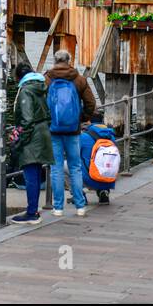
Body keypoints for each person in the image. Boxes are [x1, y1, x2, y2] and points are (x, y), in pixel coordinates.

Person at [44, 48, 97, 217]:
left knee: (56, 168)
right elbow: (91, 103)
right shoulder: (79, 79)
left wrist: (48, 120)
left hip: (53, 129)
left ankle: (58, 208)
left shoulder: (47, 79)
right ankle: (80, 206)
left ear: (54, 61)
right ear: (69, 60)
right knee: (75, 167)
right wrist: (82, 118)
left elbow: (41, 103)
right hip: (73, 130)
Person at [9, 61, 53, 225]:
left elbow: (26, 120)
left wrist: (20, 141)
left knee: (30, 175)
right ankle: (33, 210)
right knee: (34, 172)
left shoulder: (26, 91)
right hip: (42, 132)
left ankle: (32, 212)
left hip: (32, 136)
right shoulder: (40, 87)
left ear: (18, 76)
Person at [79, 112, 119, 205]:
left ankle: (80, 196)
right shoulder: (111, 137)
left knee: (66, 166)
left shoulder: (84, 137)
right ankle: (103, 192)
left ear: (89, 122)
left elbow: (74, 154)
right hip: (109, 179)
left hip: (91, 178)